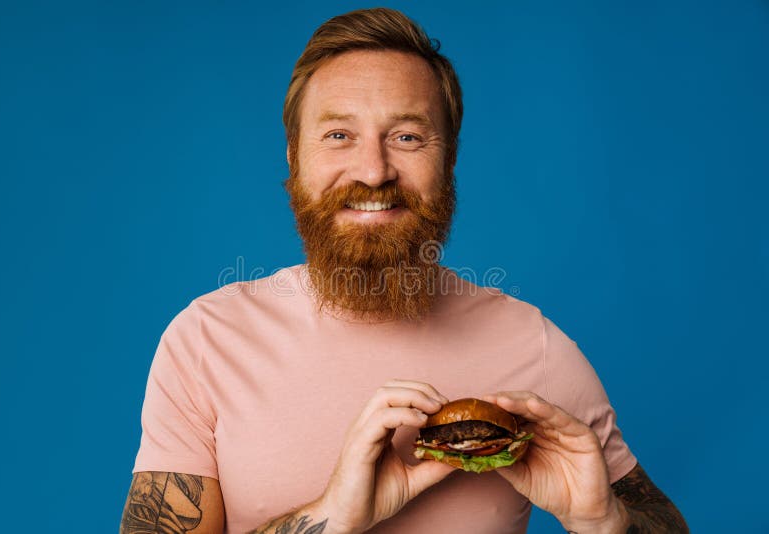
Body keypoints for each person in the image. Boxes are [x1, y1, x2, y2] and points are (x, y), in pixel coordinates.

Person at [120, 8, 688, 534]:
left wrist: (604, 520)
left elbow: (655, 518)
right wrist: (334, 515)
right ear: (295, 156)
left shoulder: (534, 346)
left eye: (407, 137)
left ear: (449, 158)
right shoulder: (205, 342)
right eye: (339, 135)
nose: (373, 171)